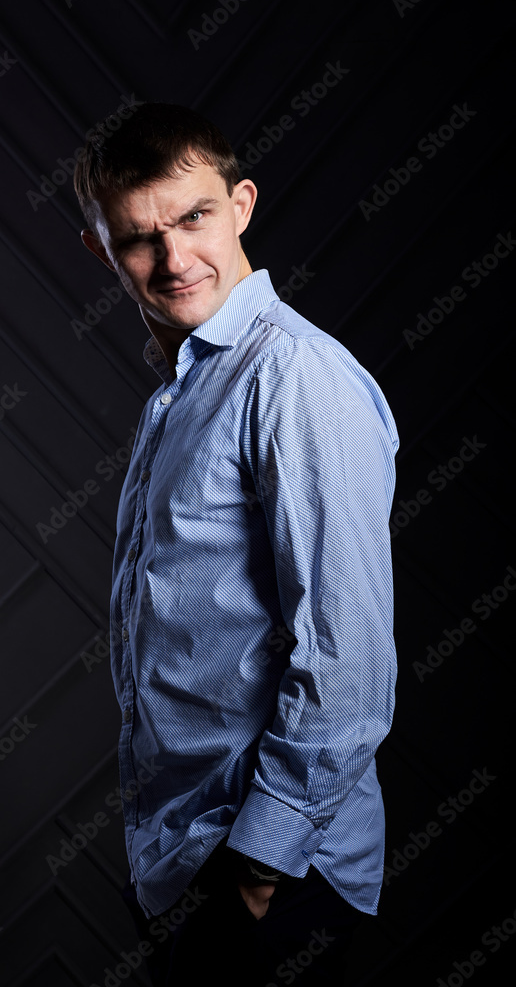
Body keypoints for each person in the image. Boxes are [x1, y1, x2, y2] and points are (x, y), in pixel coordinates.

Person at [74, 102, 399, 986]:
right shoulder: (181, 394)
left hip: (280, 882)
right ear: (103, 250)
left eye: (194, 216)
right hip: (191, 866)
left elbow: (352, 661)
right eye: (140, 238)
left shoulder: (293, 377)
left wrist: (255, 877)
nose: (175, 259)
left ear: (242, 204)